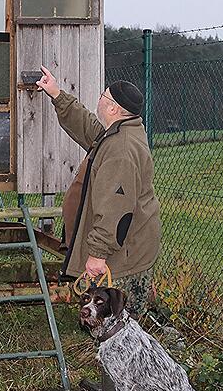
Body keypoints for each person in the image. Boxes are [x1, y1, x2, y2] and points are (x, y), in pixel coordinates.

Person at [36, 66, 162, 318]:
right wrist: (57, 94)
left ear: (113, 108)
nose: (100, 99)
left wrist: (97, 254)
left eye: (104, 96)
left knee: (121, 323)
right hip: (126, 250)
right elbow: (89, 127)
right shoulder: (120, 132)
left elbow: (116, 209)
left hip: (123, 258)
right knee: (112, 324)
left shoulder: (121, 151)